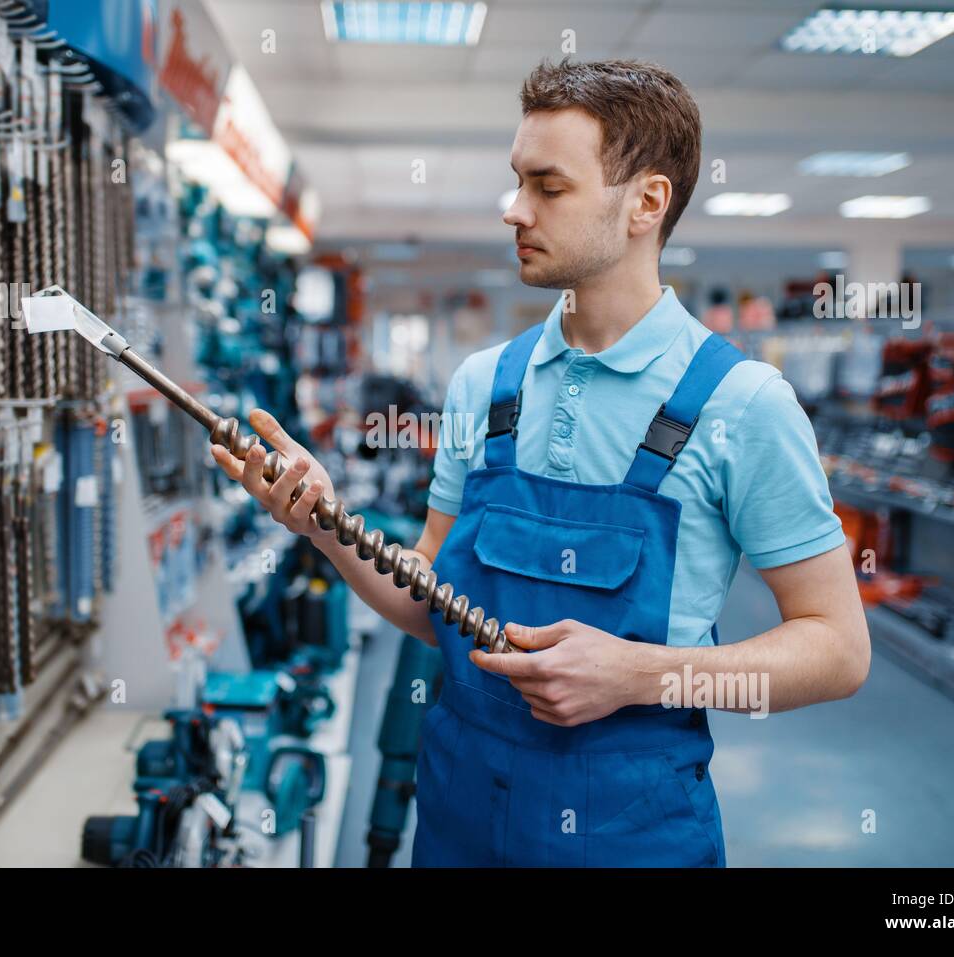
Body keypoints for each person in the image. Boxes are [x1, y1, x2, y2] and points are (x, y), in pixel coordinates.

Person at [211, 59, 870, 868]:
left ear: (647, 203)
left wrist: (645, 675)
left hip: (632, 830)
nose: (515, 210)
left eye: (548, 187)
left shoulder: (743, 405)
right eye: (517, 181)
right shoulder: (483, 386)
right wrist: (324, 524)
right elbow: (433, 600)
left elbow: (837, 651)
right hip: (458, 806)